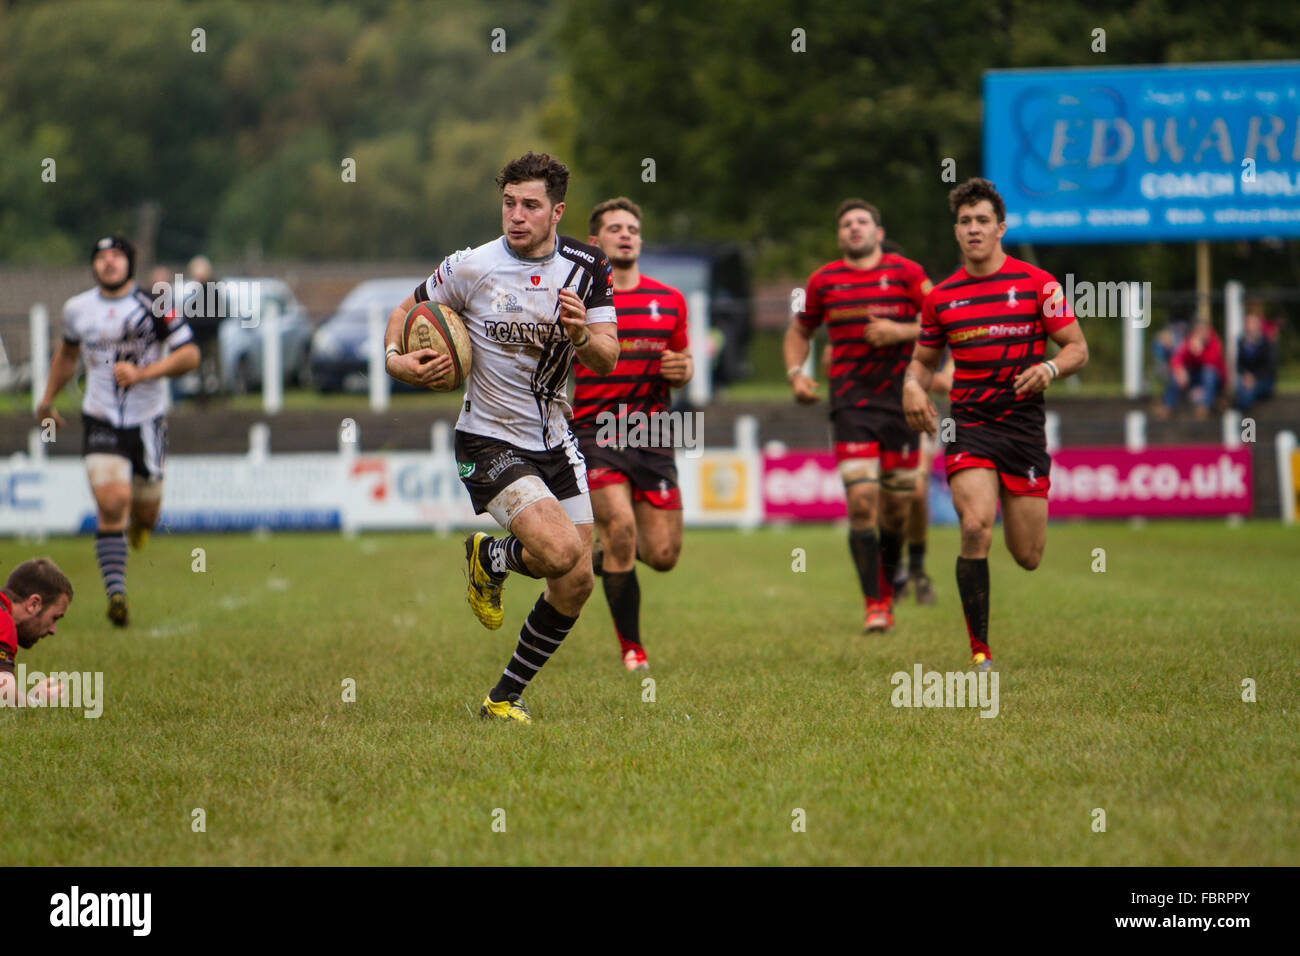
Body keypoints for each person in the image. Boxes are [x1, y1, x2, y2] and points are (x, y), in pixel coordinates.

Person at [384, 152, 619, 723]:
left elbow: (607, 358)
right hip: (489, 440)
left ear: (557, 212)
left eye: (530, 205)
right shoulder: (471, 266)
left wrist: (580, 335)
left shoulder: (588, 268)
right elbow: (405, 310)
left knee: (576, 579)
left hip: (555, 440)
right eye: (509, 203)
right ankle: (492, 554)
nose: (516, 215)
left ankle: (502, 697)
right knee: (560, 551)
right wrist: (396, 360)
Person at [903, 178, 1088, 671]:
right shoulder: (941, 298)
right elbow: (922, 362)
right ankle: (980, 650)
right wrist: (912, 386)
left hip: (1023, 430)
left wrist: (1049, 368)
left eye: (982, 220)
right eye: (965, 221)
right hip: (970, 427)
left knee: (1028, 555)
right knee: (975, 526)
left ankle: (1014, 528)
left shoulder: (1039, 284)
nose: (973, 228)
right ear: (956, 231)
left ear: (1001, 228)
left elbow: (1077, 348)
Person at [785, 199, 931, 633]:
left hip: (902, 404)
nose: (854, 227)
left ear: (878, 233)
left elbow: (941, 321)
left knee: (897, 510)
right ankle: (875, 604)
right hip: (851, 405)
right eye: (846, 223)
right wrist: (796, 373)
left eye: (862, 221)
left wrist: (899, 331)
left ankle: (892, 580)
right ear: (839, 236)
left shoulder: (907, 273)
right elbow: (799, 330)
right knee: (863, 502)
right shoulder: (823, 280)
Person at [36, 236, 199, 627]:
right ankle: (116, 594)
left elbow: (189, 355)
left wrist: (144, 373)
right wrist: (46, 400)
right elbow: (68, 355)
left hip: (148, 421)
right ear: (93, 265)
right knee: (112, 502)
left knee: (146, 512)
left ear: (130, 263)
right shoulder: (77, 309)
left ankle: (141, 527)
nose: (108, 262)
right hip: (101, 417)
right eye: (101, 257)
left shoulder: (156, 304)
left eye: (116, 256)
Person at [572, 197, 693, 671]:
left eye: (633, 229)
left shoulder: (671, 299)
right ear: (594, 242)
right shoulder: (580, 301)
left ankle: (603, 555)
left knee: (663, 555)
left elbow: (682, 363)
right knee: (621, 528)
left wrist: (684, 370)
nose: (626, 235)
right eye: (615, 228)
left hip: (654, 432)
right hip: (596, 431)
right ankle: (633, 650)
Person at [893, 351, 954, 605]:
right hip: (877, 414)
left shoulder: (934, 331)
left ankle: (917, 568)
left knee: (917, 491)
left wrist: (909, 379)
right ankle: (895, 566)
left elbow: (947, 383)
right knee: (885, 497)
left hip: (920, 413)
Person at [0, 558, 74, 707]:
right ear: (33, 604)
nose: (53, 630)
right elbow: (3, 692)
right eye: (54, 618)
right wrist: (35, 701)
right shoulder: (4, 622)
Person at [1166, 321, 1226, 419]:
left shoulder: (1214, 342)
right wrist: (1180, 370)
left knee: (1209, 373)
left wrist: (1200, 352)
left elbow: (1214, 364)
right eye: (1198, 331)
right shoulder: (1188, 342)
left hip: (1213, 381)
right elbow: (1175, 359)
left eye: (1203, 331)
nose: (1201, 334)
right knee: (1176, 375)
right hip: (1193, 377)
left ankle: (1204, 407)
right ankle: (1168, 406)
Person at [1235, 309, 1277, 412]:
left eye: (1253, 323)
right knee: (1242, 386)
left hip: (1263, 380)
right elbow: (1239, 365)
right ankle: (1242, 409)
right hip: (1247, 379)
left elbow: (1269, 366)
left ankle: (1241, 409)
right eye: (1248, 323)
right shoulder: (1242, 342)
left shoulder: (1266, 343)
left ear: (1258, 325)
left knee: (1248, 391)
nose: (1250, 326)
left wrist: (1254, 377)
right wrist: (1247, 375)